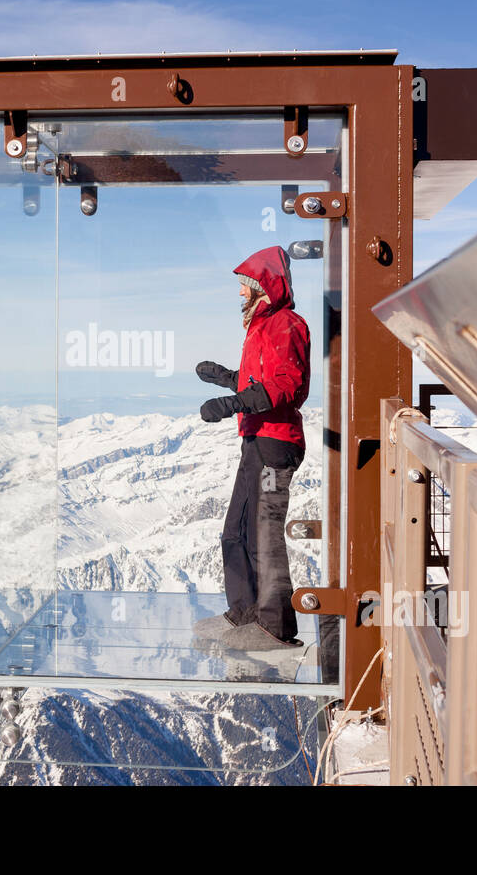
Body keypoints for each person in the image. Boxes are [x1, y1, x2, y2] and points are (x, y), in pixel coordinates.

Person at [193, 245, 310, 651]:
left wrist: (233, 404)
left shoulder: (287, 324)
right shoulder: (260, 327)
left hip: (277, 443)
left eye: (247, 286)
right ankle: (243, 613)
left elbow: (285, 386)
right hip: (257, 439)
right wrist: (226, 378)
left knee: (264, 536)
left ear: (266, 286)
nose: (241, 293)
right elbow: (256, 378)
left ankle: (274, 628)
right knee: (235, 531)